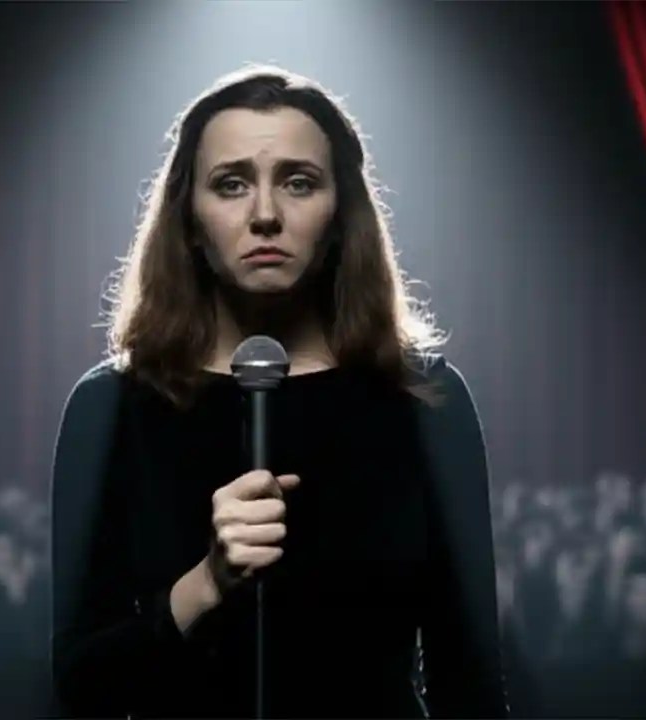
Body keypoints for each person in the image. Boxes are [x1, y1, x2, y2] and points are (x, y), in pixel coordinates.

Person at [49, 64, 508, 718]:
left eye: (299, 182)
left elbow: (473, 681)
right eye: (231, 184)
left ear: (341, 212)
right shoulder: (113, 407)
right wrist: (205, 584)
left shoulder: (425, 401)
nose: (265, 214)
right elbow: (78, 688)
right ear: (188, 219)